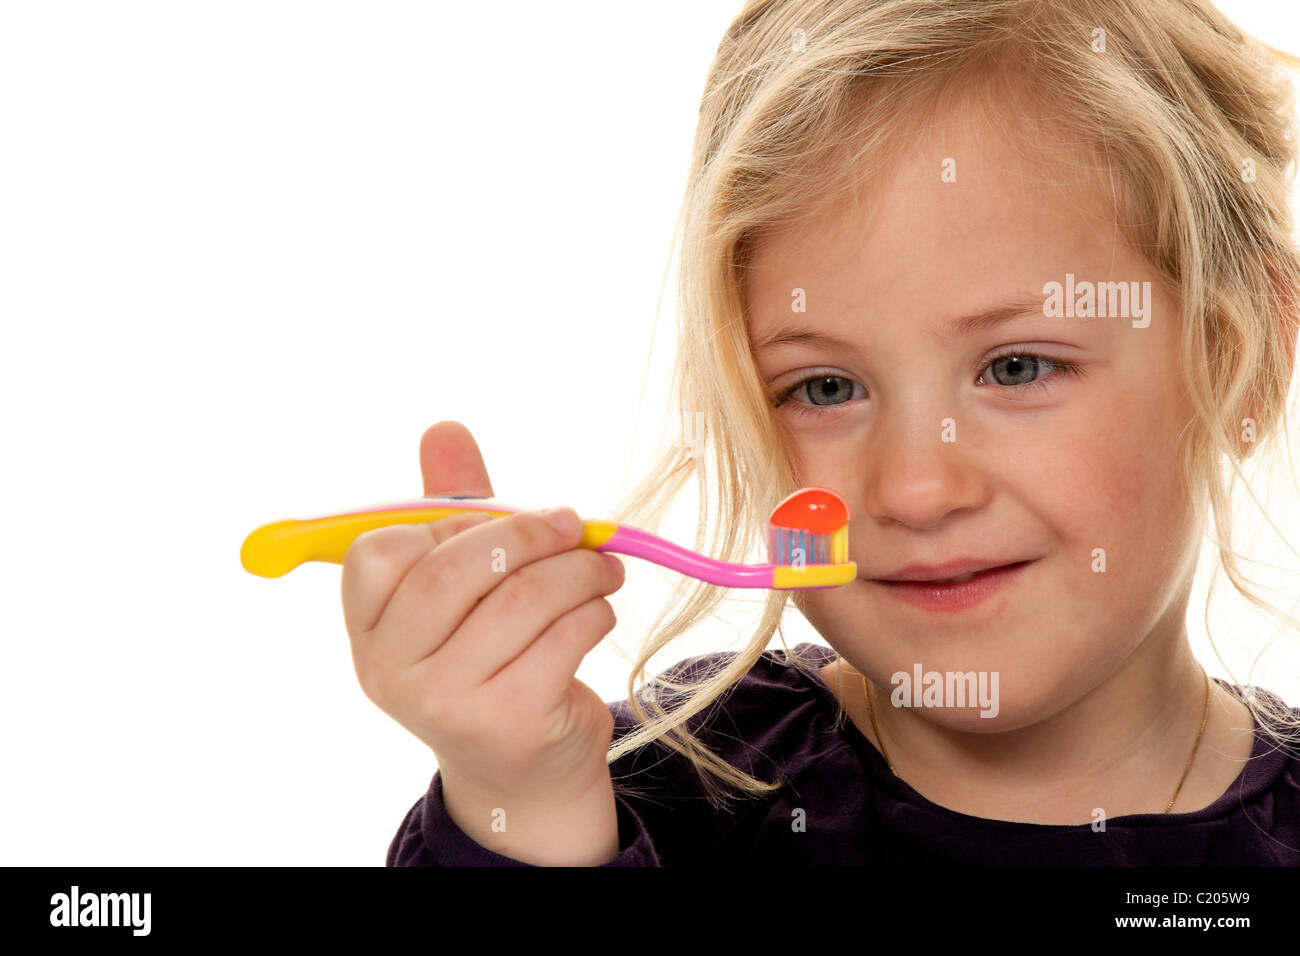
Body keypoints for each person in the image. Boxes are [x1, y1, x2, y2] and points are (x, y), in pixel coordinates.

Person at [346, 0, 1300, 866]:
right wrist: (520, 798)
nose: (916, 489)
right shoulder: (666, 794)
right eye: (826, 386)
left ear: (1236, 355)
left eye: (1016, 367)